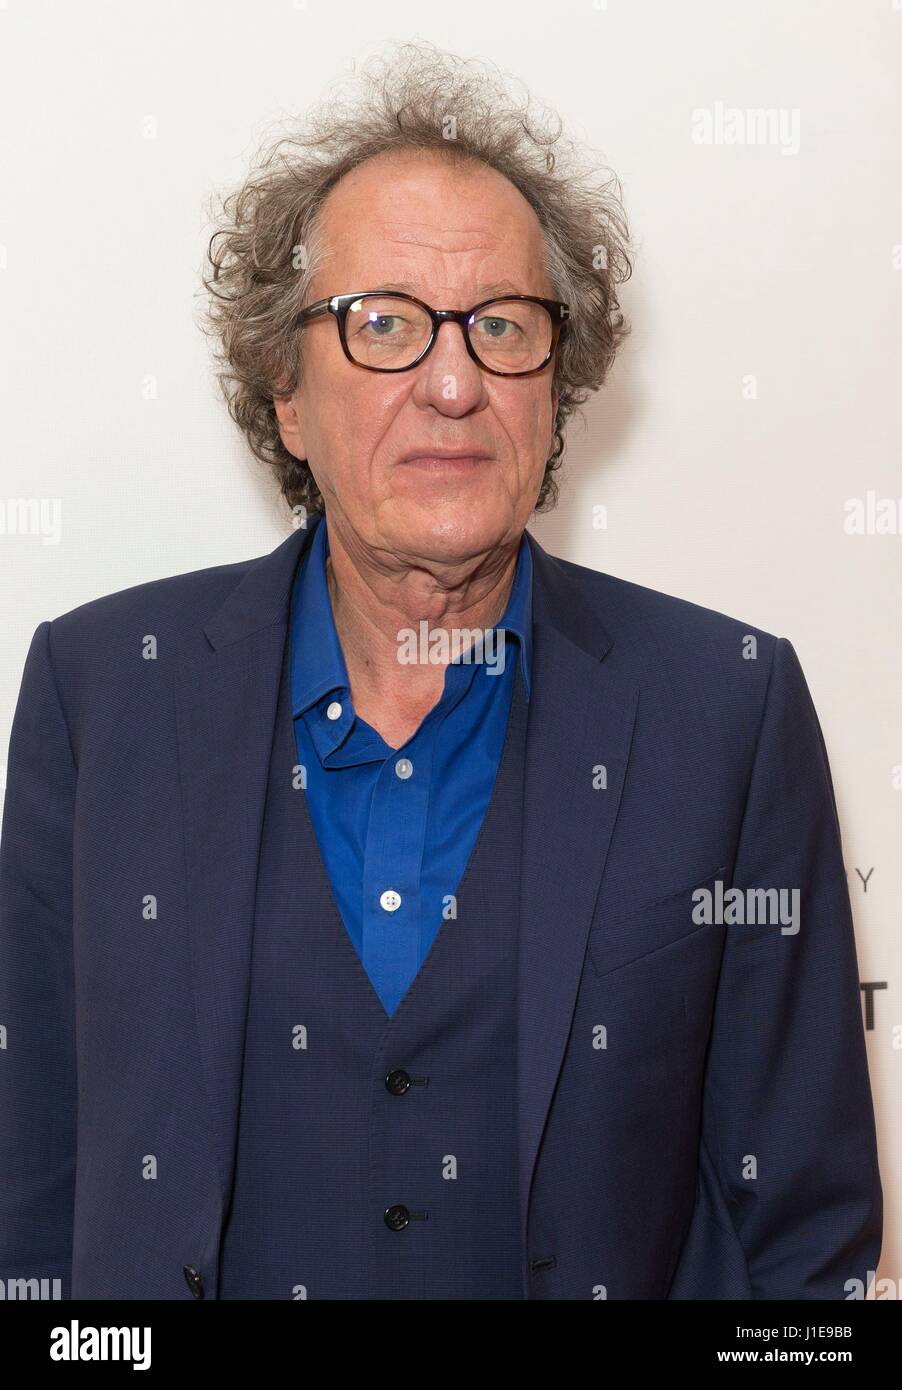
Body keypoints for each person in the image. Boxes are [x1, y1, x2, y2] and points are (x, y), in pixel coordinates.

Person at [0, 43, 881, 1300]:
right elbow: (29, 1198)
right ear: (286, 396)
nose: (454, 382)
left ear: (557, 394)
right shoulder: (101, 694)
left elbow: (798, 1241)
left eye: (503, 328)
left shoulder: (725, 708)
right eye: (384, 326)